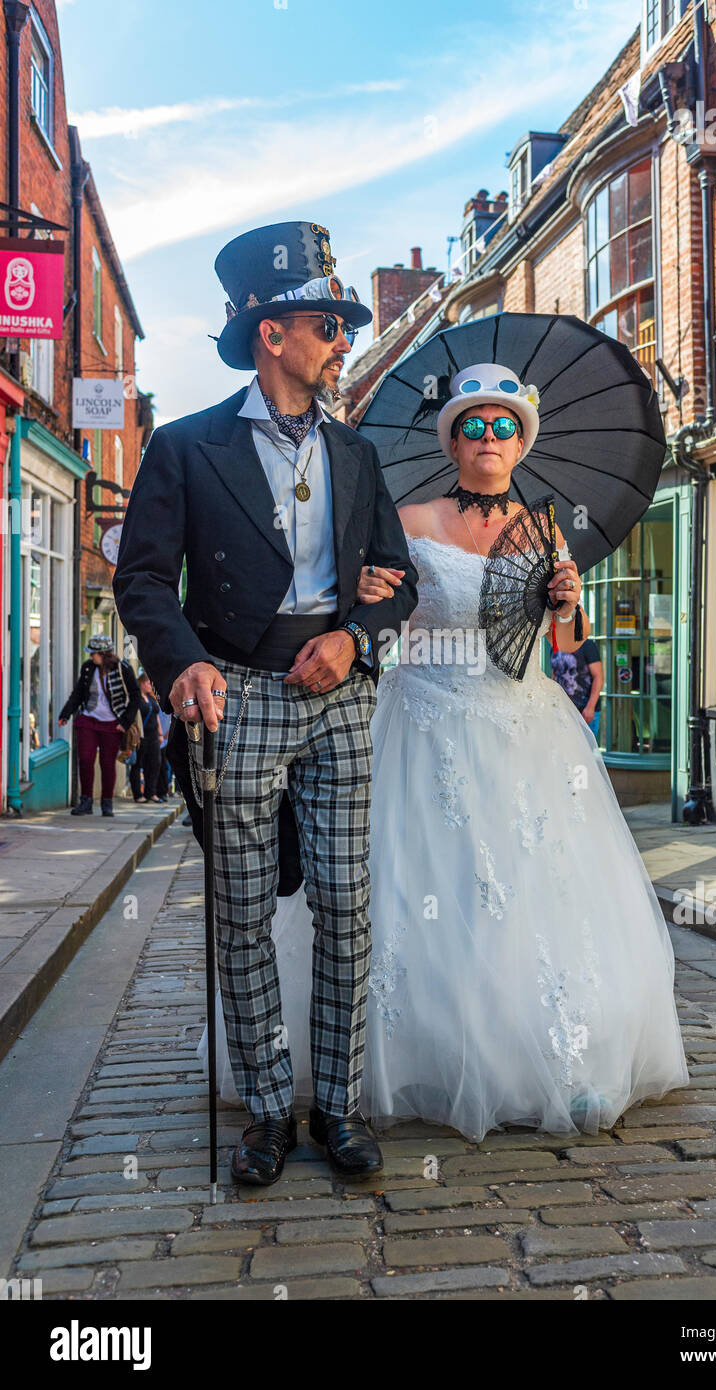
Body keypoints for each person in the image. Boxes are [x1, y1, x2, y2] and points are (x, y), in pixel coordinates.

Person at [202, 362, 689, 1142]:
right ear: (453, 438)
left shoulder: (545, 529)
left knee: (538, 890)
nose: (489, 438)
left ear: (521, 442)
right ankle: (402, 1057)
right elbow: (381, 602)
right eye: (474, 425)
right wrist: (364, 598)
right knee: (412, 891)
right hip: (425, 717)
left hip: (526, 722)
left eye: (504, 426)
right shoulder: (415, 518)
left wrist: (565, 604)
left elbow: (558, 639)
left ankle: (547, 1058)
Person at [113, 220, 418, 1185]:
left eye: (340, 322)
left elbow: (397, 578)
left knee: (346, 904)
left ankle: (337, 1104)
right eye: (325, 322)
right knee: (241, 912)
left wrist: (357, 636)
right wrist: (181, 666)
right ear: (269, 334)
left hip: (338, 696)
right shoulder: (185, 446)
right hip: (236, 695)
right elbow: (144, 582)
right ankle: (263, 1109)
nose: (340, 338)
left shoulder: (357, 454)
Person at [58, 635, 140, 817]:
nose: (91, 657)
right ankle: (86, 801)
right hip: (88, 719)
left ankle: (107, 803)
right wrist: (66, 714)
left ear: (104, 653)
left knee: (107, 763)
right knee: (86, 759)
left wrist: (124, 722)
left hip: (112, 723)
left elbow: (135, 696)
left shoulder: (122, 668)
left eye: (94, 653)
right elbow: (78, 693)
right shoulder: (88, 668)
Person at [551, 637, 603, 738]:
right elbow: (554, 676)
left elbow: (598, 677)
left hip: (585, 711)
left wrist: (590, 707)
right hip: (562, 711)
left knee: (587, 750)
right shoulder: (554, 646)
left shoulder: (587, 645)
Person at [136, 673, 164, 802]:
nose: (150, 686)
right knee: (138, 764)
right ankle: (138, 794)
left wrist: (160, 733)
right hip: (141, 736)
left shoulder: (151, 699)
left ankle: (151, 792)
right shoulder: (136, 699)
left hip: (153, 736)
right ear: (141, 683)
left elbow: (156, 717)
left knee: (155, 763)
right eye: (148, 683)